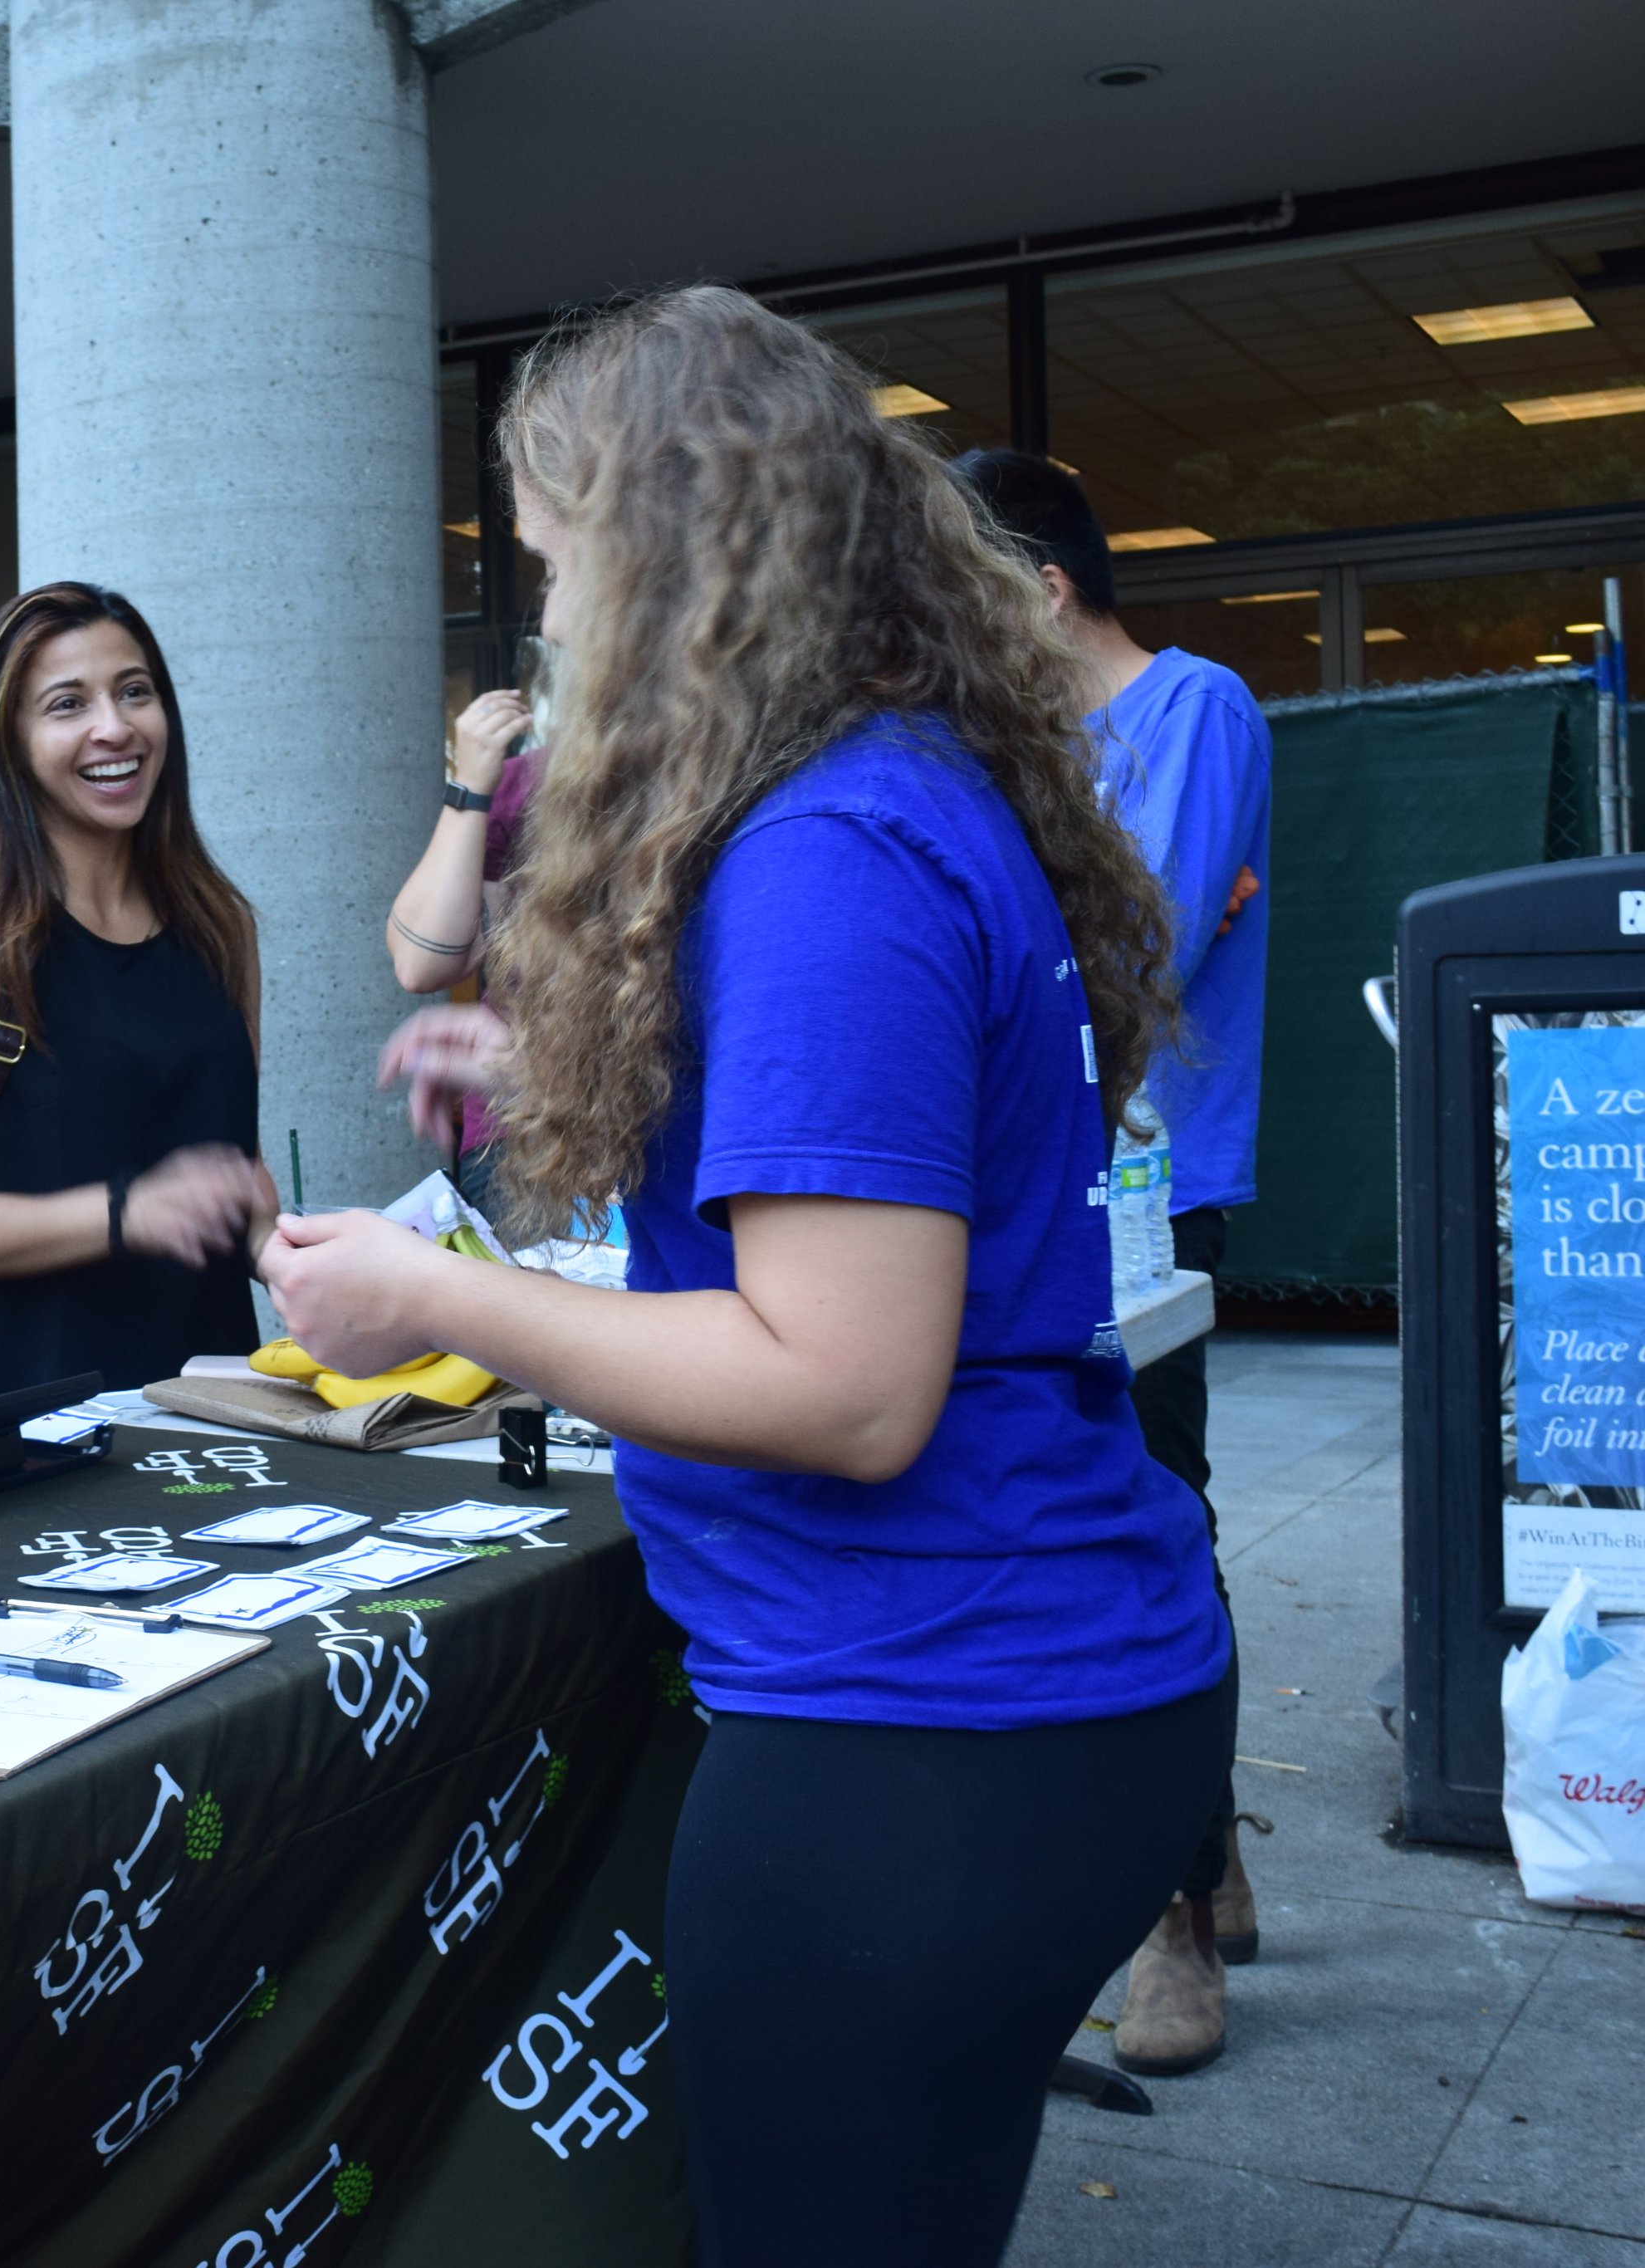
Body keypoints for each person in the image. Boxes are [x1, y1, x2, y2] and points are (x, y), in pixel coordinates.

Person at [258, 287, 1234, 2266]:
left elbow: (843, 1385)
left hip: (927, 1720)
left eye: (553, 564)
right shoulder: (899, 797)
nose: (547, 624)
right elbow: (886, 1137)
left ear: (668, 563)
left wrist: (427, 1297)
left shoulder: (822, 850)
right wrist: (575, 1072)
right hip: (1026, 1689)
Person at [956, 444, 1275, 2076]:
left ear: (1041, 586)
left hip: (1146, 1198)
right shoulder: (1007, 748)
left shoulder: (1194, 708)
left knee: (1154, 1520)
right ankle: (1195, 1854)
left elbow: (1132, 949)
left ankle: (1170, 1914)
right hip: (1032, 1184)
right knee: (1105, 1511)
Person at [0, 583, 277, 1412]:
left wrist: (287, 1244)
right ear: (8, 743)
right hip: (4, 1412)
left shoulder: (218, 925)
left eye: (135, 690)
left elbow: (224, 1164)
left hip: (198, 1397)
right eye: (66, 704)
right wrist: (127, 1211)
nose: (115, 726)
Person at [379, 680, 536, 1220]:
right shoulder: (524, 786)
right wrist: (470, 785)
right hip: (523, 1130)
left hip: (661, 1122)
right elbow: (422, 962)